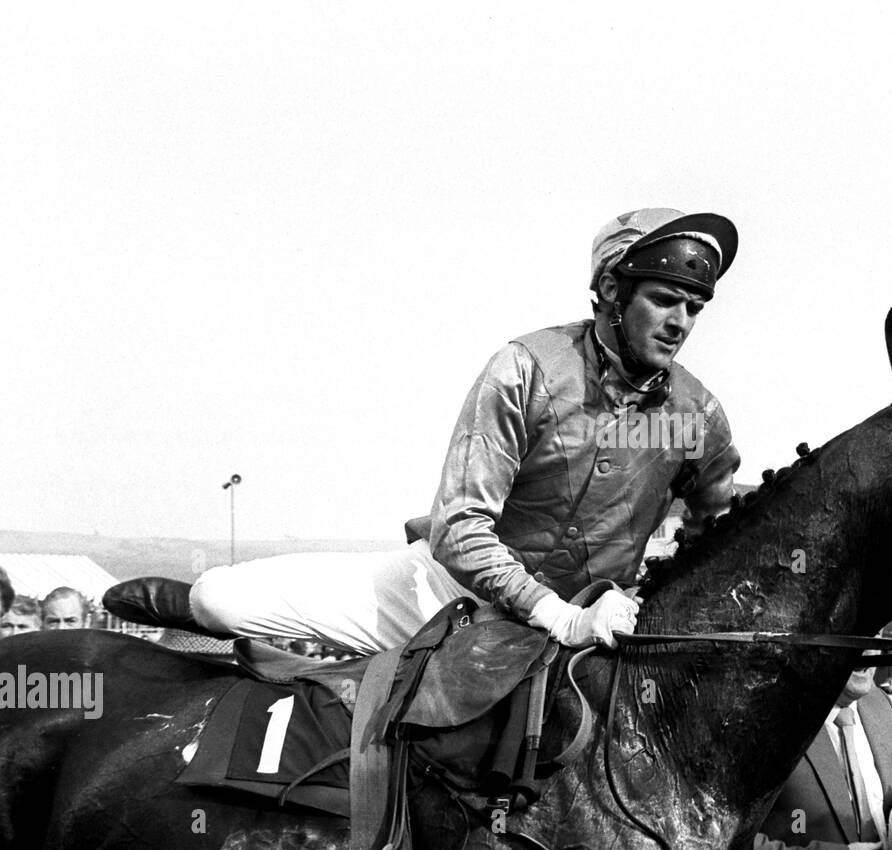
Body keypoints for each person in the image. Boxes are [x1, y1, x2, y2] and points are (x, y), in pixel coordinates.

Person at [179, 208, 742, 655]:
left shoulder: (699, 416)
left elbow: (717, 533)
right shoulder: (525, 368)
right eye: (665, 300)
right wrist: (558, 615)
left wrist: (648, 594)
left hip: (595, 623)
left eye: (693, 308)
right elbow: (460, 528)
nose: (680, 323)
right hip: (445, 594)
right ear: (614, 294)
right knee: (217, 599)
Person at [753, 667, 892, 850]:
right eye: (855, 636)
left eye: (875, 636)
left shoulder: (880, 703)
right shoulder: (763, 718)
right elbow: (724, 840)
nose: (868, 650)